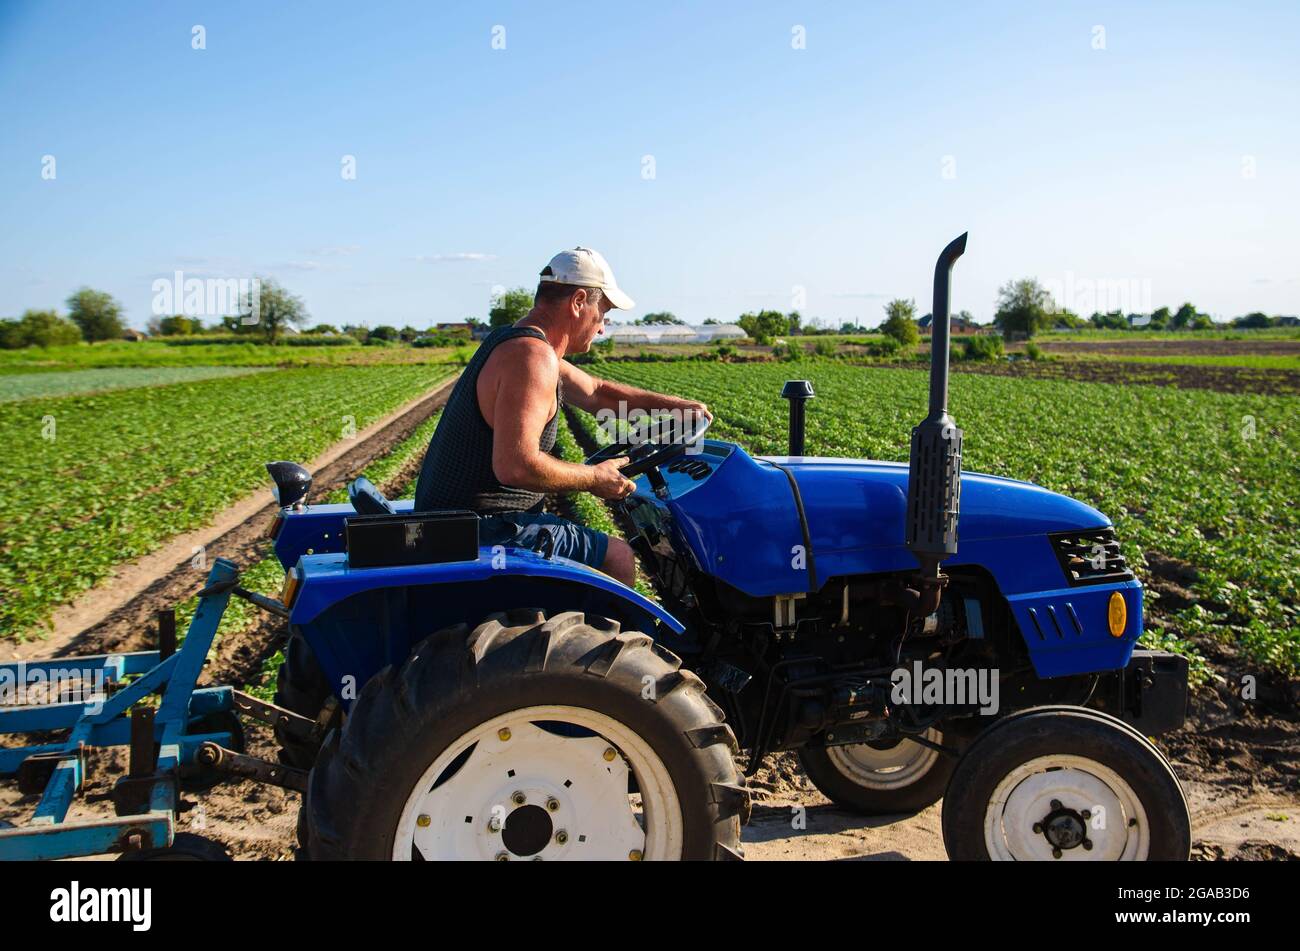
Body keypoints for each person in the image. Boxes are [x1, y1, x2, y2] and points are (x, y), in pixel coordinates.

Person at [413, 247, 709, 586]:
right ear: (579, 301)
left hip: (460, 524)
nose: (602, 328)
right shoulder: (532, 357)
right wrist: (594, 478)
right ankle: (618, 638)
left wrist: (678, 408)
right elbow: (515, 466)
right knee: (618, 557)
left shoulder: (520, 343)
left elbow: (596, 393)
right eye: (604, 312)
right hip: (483, 529)